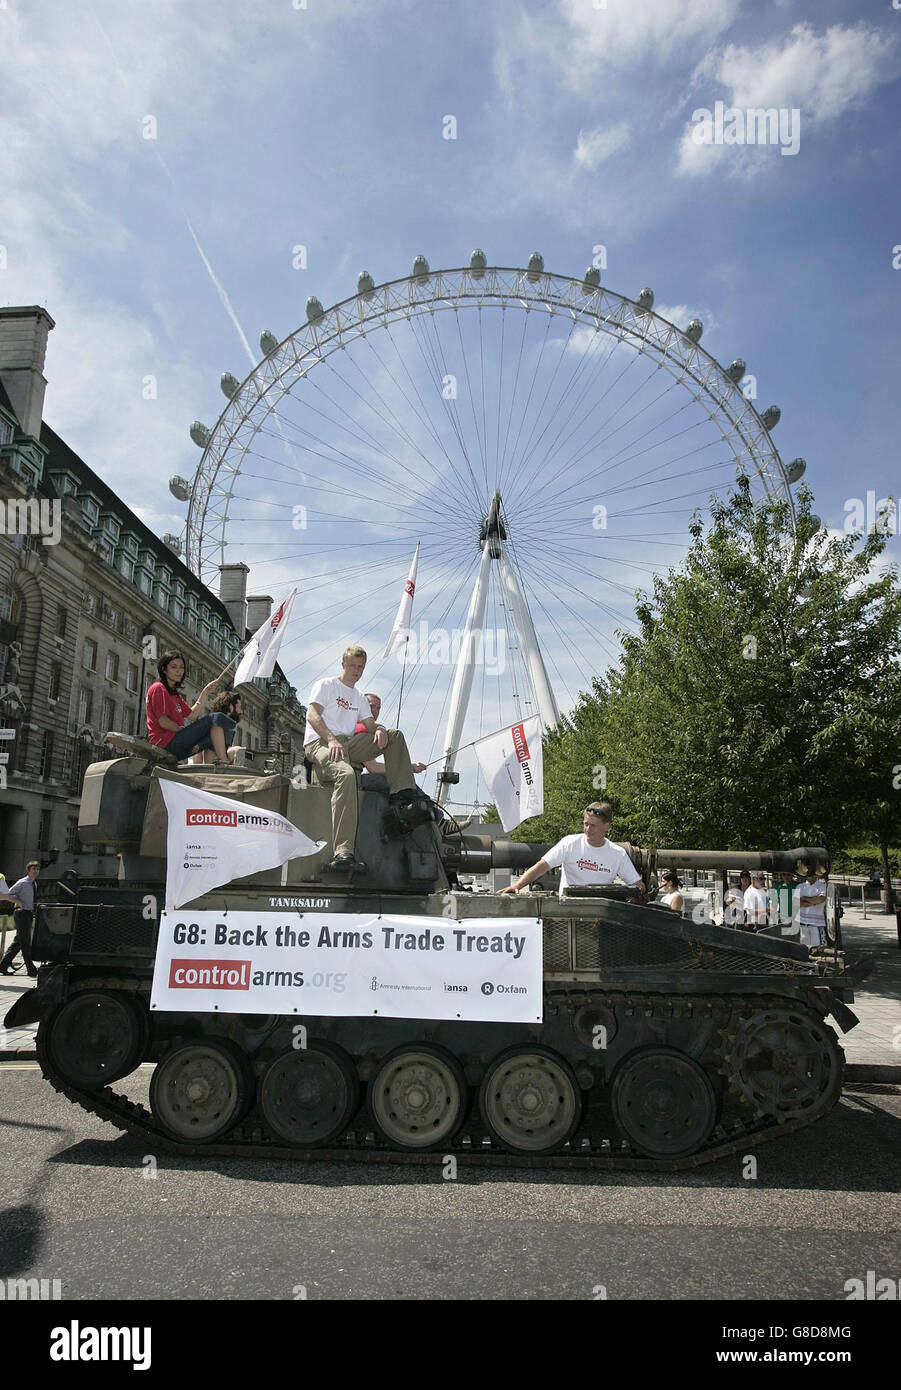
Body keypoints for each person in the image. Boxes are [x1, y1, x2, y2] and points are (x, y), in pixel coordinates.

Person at [304, 647, 421, 872]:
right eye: (352, 665)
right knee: (347, 775)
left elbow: (370, 724)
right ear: (343, 664)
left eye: (360, 667)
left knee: (394, 736)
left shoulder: (358, 697)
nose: (356, 671)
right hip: (320, 742)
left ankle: (402, 794)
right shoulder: (326, 685)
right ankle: (343, 850)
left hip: (348, 744)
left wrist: (380, 729)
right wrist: (330, 739)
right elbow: (312, 715)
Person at [500, 802, 644, 898]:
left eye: (593, 825)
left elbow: (638, 885)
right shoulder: (570, 843)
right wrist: (516, 886)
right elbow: (541, 866)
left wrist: (634, 895)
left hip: (600, 915)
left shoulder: (617, 854)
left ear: (607, 826)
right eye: (585, 824)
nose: (588, 829)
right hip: (569, 912)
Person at [145, 651, 234, 764]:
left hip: (176, 743)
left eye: (181, 667)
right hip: (165, 743)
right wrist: (183, 731)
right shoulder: (158, 688)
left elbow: (192, 715)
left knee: (214, 734)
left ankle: (212, 768)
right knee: (215, 718)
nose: (179, 671)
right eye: (174, 667)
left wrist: (205, 692)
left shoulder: (174, 695)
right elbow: (163, 722)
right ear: (164, 669)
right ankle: (225, 760)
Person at [355, 693, 427, 775]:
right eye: (371, 706)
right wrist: (410, 768)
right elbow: (373, 767)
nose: (375, 711)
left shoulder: (370, 730)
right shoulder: (358, 727)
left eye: (378, 708)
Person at [0, 860, 40, 976]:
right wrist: (17, 902)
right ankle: (31, 969)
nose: (36, 872)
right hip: (21, 913)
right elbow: (8, 894)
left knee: (19, 941)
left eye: (37, 869)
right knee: (25, 941)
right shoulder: (22, 882)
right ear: (28, 870)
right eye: (34, 869)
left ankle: (3, 966)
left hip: (28, 913)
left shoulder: (34, 883)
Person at [192, 690, 243, 765]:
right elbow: (197, 751)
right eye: (239, 707)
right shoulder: (216, 727)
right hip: (213, 768)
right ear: (231, 707)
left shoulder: (223, 727)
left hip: (213, 767)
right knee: (238, 751)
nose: (241, 712)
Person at [797, 868, 827, 948]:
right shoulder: (800, 886)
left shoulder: (822, 886)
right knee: (804, 947)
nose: (810, 875)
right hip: (803, 923)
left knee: (818, 948)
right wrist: (813, 902)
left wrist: (805, 898)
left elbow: (820, 899)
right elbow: (796, 902)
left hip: (816, 924)